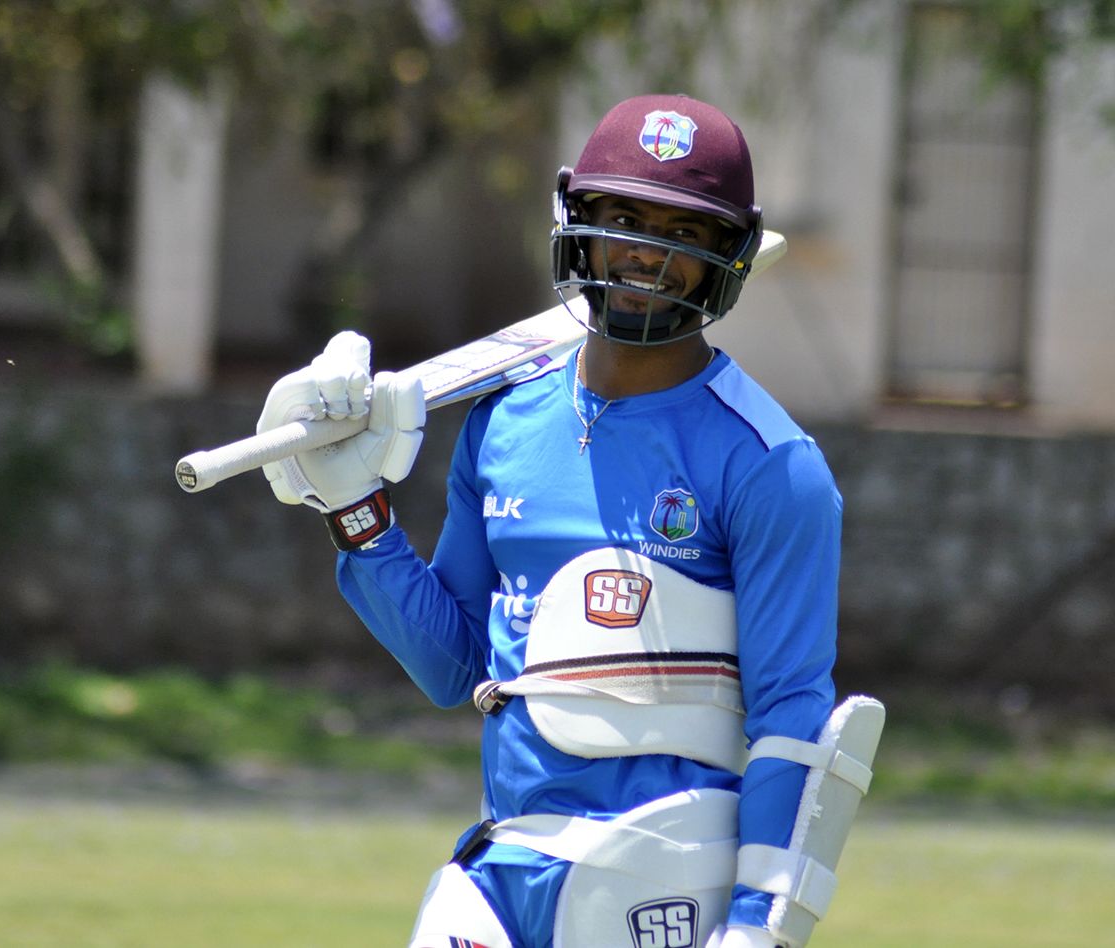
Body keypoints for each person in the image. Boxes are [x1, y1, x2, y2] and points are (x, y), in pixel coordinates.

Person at [255, 94, 883, 948]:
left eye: (685, 232)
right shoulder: (502, 424)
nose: (647, 251)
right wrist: (357, 516)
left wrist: (759, 923)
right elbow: (456, 667)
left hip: (664, 873)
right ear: (577, 223)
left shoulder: (772, 465)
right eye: (624, 216)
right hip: (500, 862)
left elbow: (793, 719)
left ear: (727, 253)